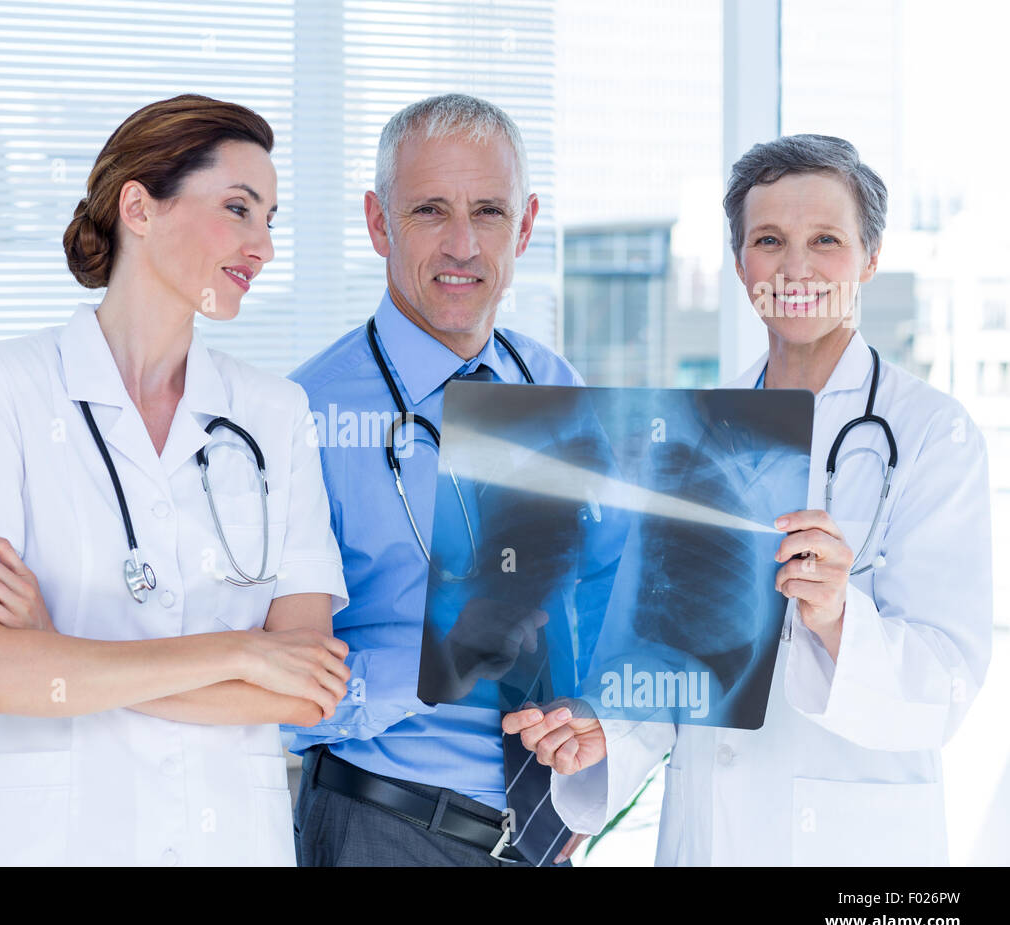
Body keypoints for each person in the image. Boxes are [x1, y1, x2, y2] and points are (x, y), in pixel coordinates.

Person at [507, 133, 992, 866]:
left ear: (869, 256)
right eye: (769, 240)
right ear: (740, 264)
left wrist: (834, 617)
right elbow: (667, 658)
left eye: (825, 239)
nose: (796, 267)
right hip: (710, 837)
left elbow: (946, 683)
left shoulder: (932, 435)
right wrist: (610, 731)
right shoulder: (692, 434)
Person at [0, 94, 351, 867]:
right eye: (238, 209)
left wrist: (57, 652)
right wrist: (239, 651)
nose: (263, 246)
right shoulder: (3, 389)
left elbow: (305, 689)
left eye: (270, 219)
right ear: (139, 208)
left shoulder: (275, 416)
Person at [285, 94, 626, 867]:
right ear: (378, 223)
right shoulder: (303, 414)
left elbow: (608, 599)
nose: (463, 245)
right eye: (430, 211)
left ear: (527, 225)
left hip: (546, 838)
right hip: (384, 831)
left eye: (490, 212)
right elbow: (275, 702)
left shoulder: (558, 389)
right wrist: (438, 664)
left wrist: (595, 717)